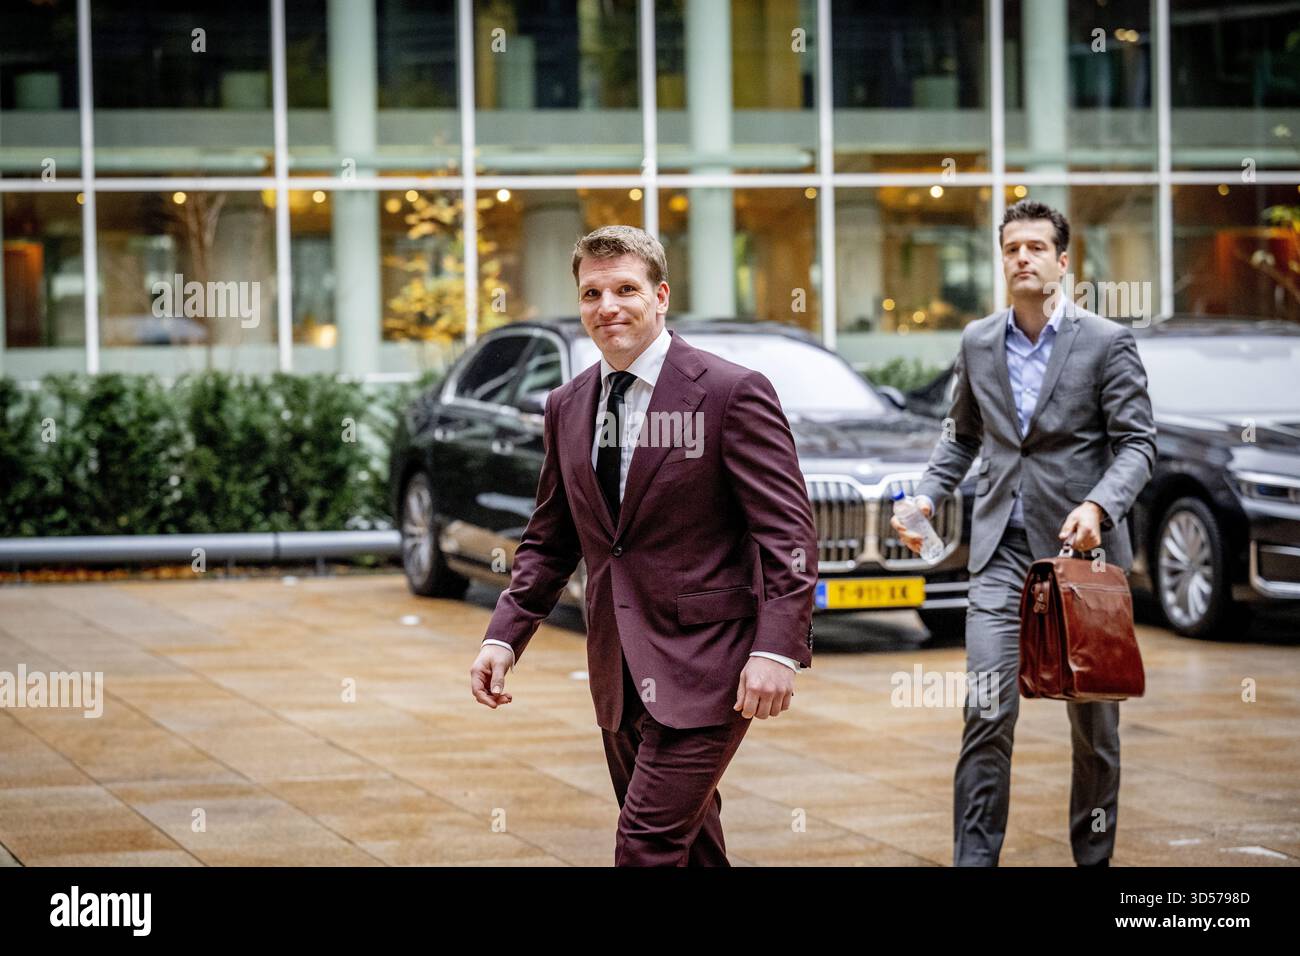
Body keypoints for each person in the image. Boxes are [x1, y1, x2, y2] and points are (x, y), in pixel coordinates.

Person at [470, 225, 818, 866]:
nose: (608, 307)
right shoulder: (567, 404)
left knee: (645, 846)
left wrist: (778, 650)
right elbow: (550, 540)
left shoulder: (729, 392)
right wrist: (503, 636)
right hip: (618, 668)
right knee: (692, 845)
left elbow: (787, 533)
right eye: (592, 293)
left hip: (713, 665)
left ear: (660, 296)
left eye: (625, 289)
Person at [894, 199, 1156, 867]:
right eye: (1012, 248)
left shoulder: (1105, 341)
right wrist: (926, 496)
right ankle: (973, 861)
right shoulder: (979, 341)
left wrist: (1099, 507)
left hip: (1081, 564)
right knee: (987, 709)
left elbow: (1136, 445)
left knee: (1094, 726)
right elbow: (962, 437)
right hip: (1001, 555)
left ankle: (1092, 860)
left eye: (1037, 247)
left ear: (1063, 262)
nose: (1023, 258)